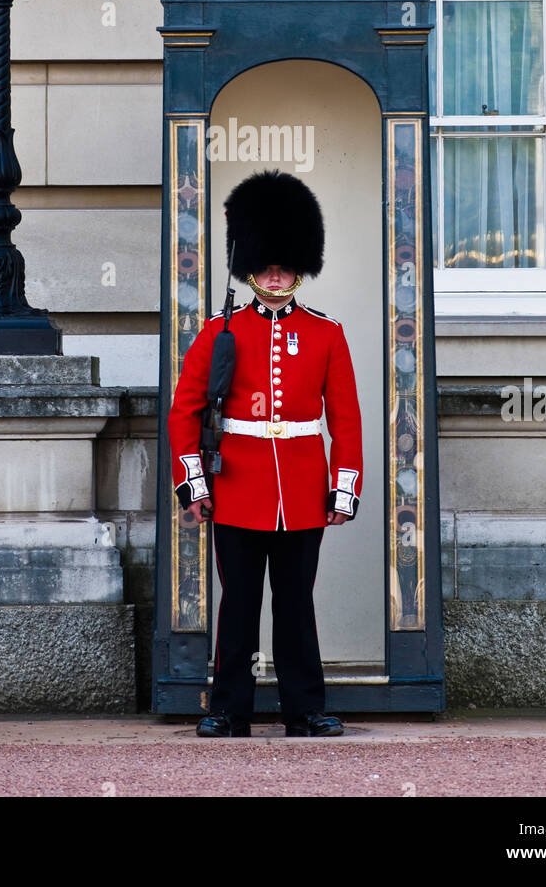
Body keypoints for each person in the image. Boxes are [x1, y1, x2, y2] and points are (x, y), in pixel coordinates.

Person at [167, 169, 363, 737]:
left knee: (297, 605)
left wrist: (343, 487)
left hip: (302, 491)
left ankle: (305, 710)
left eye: (284, 265)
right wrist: (194, 488)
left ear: (299, 267)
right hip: (236, 491)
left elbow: (344, 421)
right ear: (251, 268)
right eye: (267, 265)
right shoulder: (218, 332)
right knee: (240, 606)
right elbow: (186, 413)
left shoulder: (326, 334)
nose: (276, 275)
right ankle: (230, 710)